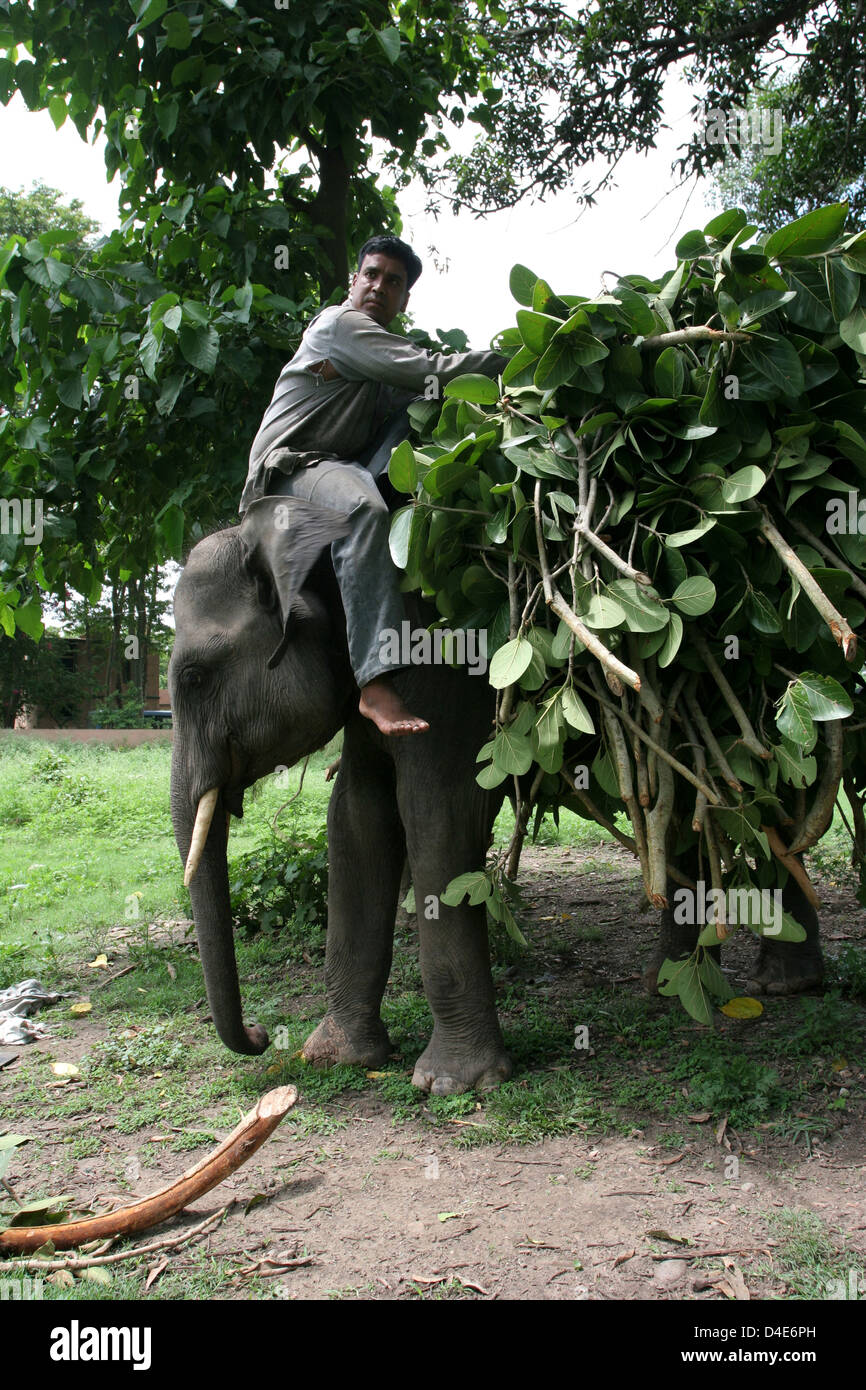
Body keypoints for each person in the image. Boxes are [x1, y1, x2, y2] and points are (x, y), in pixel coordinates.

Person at [239, 234, 506, 736]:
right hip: (288, 476)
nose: (380, 286)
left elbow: (420, 392)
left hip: (335, 468)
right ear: (353, 281)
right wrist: (514, 360)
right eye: (372, 274)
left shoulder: (380, 360)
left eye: (394, 282)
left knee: (415, 411)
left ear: (405, 299)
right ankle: (376, 684)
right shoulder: (340, 326)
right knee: (361, 510)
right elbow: (432, 369)